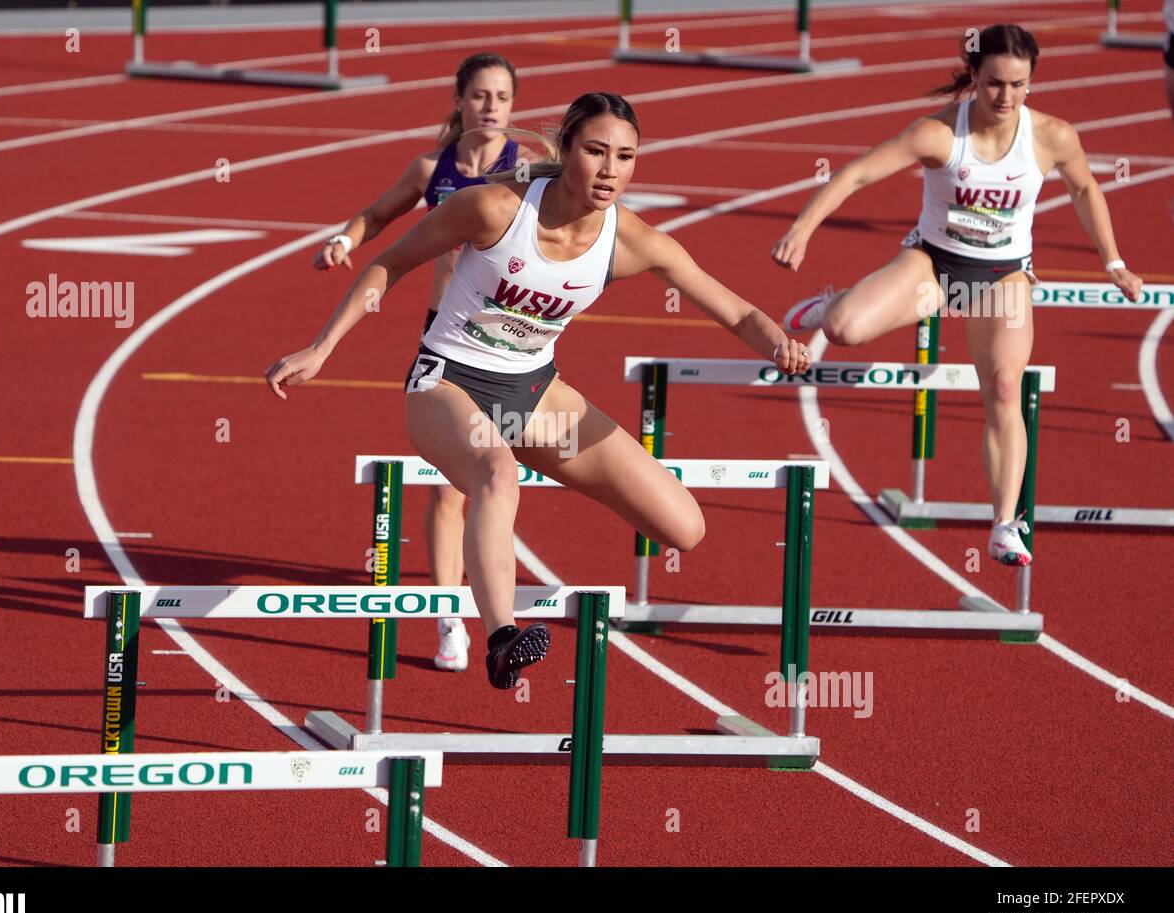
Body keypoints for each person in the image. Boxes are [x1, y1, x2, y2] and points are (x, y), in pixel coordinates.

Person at [268, 92, 811, 690]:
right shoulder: (495, 209)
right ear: (566, 150)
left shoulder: (633, 242)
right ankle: (502, 636)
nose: (610, 171)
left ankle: (522, 484)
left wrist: (780, 345)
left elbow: (734, 311)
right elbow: (390, 264)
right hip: (447, 380)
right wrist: (322, 348)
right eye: (596, 152)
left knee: (684, 527)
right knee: (496, 475)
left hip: (535, 392)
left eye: (625, 157)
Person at [771, 24, 1144, 567]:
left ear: (1032, 83)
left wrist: (1114, 262)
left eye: (1019, 85)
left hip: (1003, 274)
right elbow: (855, 174)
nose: (1006, 97)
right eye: (995, 83)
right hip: (936, 262)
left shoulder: (1052, 137)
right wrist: (803, 227)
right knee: (844, 331)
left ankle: (1002, 524)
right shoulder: (940, 134)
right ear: (974, 77)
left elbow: (1085, 187)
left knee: (1003, 385)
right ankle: (833, 302)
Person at [312, 53, 530, 672]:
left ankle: (492, 609)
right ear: (459, 101)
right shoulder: (431, 169)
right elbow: (378, 215)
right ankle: (449, 620)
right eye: (481, 95)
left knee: (492, 479)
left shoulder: (529, 170)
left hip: (511, 346)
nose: (492, 107)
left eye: (504, 98)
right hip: (446, 340)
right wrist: (343, 240)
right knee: (451, 488)